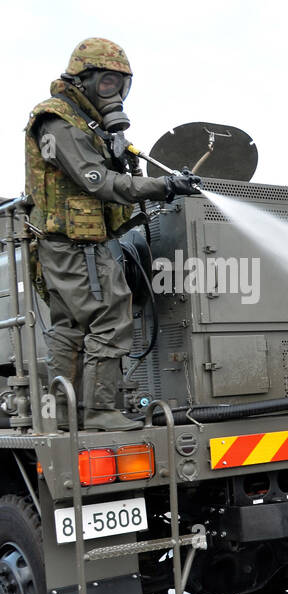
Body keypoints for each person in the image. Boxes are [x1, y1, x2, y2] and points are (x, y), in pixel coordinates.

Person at [25, 38, 202, 431]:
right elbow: (96, 182)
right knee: (111, 315)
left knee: (71, 327)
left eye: (121, 85)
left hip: (72, 242)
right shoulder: (59, 121)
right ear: (81, 80)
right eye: (107, 83)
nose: (115, 93)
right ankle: (101, 411)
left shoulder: (82, 124)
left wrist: (120, 154)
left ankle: (67, 414)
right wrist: (162, 186)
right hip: (77, 244)